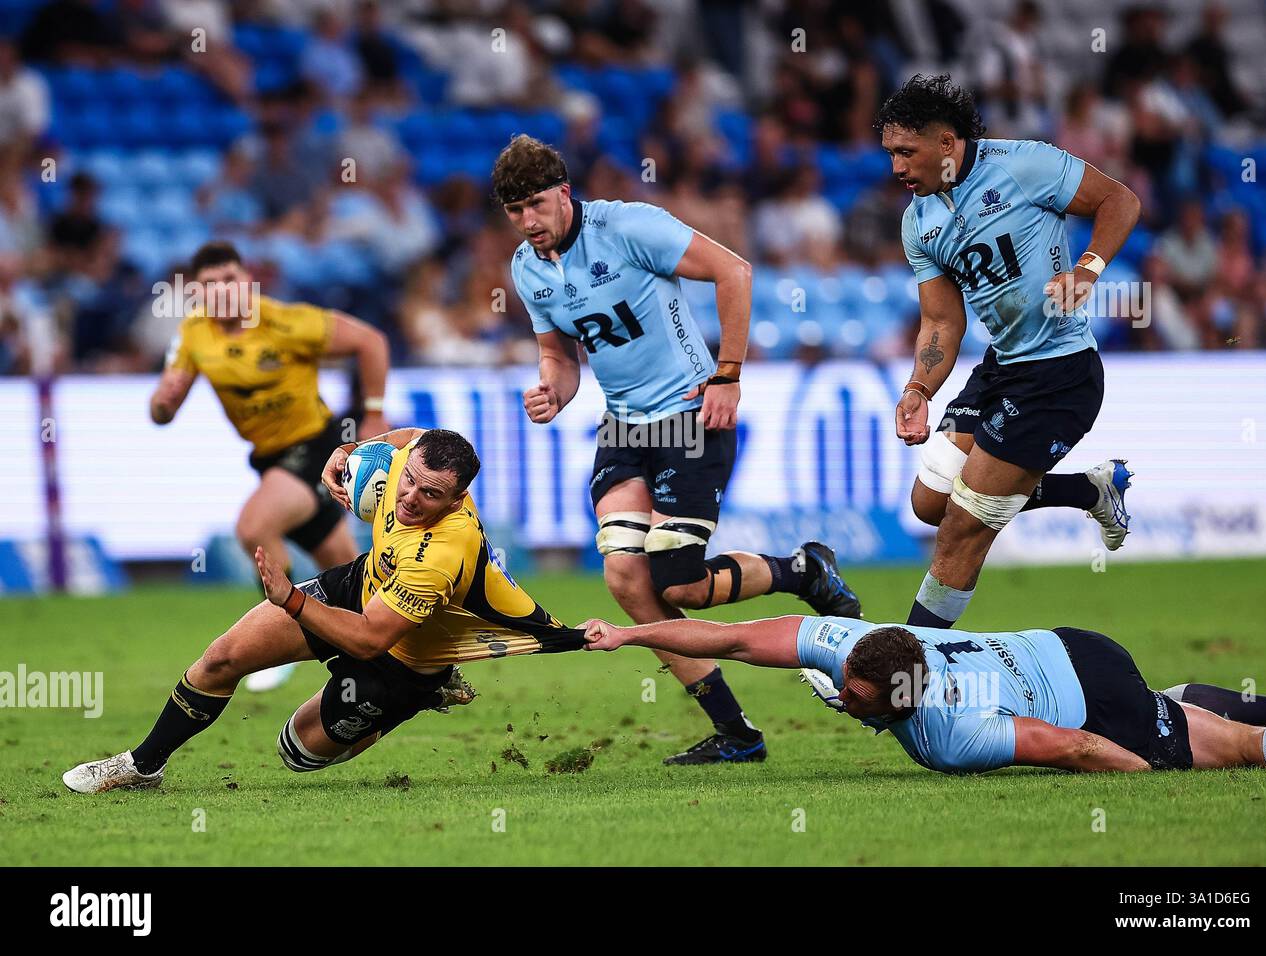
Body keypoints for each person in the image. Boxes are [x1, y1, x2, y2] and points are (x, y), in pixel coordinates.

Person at [496, 134, 861, 765]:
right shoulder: (528, 270)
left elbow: (734, 271)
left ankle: (801, 571)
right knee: (625, 575)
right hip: (624, 429)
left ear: (563, 193)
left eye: (535, 204)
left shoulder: (630, 227)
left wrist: (728, 374)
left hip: (690, 417)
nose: (528, 222)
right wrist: (553, 393)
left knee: (682, 585)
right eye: (514, 212)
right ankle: (736, 732)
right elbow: (560, 356)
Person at [63, 428, 585, 793]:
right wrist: (351, 448)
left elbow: (366, 641)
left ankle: (422, 693)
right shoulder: (417, 459)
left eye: (431, 494)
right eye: (411, 481)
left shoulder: (442, 552)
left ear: (457, 499)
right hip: (361, 584)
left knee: (298, 752)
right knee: (224, 657)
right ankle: (142, 763)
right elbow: (411, 438)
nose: (410, 498)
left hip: (400, 653)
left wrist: (290, 598)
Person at [879, 75, 1141, 630]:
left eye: (907, 152)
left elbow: (1120, 199)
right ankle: (1089, 488)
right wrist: (918, 388)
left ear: (946, 143)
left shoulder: (1026, 166)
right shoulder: (918, 221)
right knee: (929, 504)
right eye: (891, 153)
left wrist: (1087, 269)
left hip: (1060, 376)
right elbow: (941, 321)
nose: (897, 168)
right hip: (1001, 368)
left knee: (961, 529)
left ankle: (908, 665)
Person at [581, 614, 1266, 775]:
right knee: (1173, 704)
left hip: (1094, 699)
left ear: (898, 703)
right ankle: (1177, 707)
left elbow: (1073, 745)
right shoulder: (855, 644)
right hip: (1067, 643)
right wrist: (631, 633)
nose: (842, 696)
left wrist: (1150, 768)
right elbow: (733, 639)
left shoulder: (952, 738)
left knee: (1240, 749)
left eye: (856, 698)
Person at [150, 241, 390, 690]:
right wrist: (163, 404)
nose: (221, 291)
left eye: (229, 280)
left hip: (317, 446)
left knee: (253, 526)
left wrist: (374, 413)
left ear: (247, 280)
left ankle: (283, 628)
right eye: (209, 285)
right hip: (271, 460)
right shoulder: (194, 334)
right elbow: (166, 403)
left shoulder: (286, 321)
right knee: (355, 580)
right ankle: (419, 667)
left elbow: (370, 341)